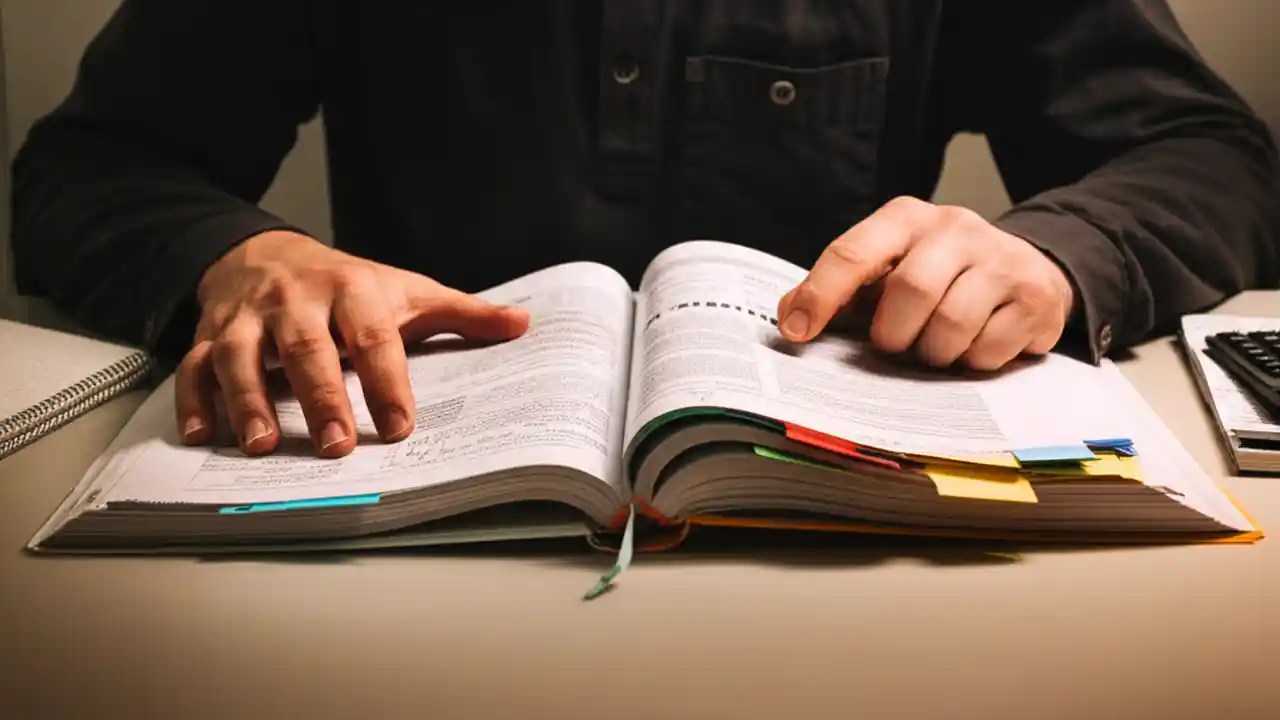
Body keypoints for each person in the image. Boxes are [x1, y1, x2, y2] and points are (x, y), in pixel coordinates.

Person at [11, 1, 1279, 459]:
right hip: (399, 519)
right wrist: (239, 256)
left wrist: (1061, 252)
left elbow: (1211, 154)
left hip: (845, 533)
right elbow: (86, 169)